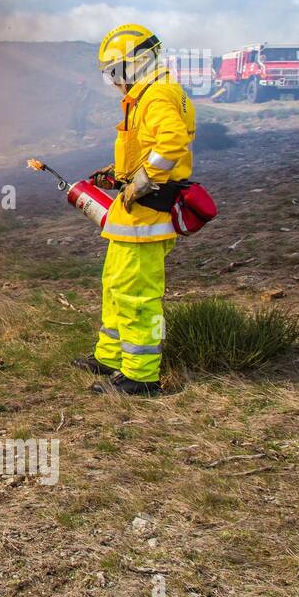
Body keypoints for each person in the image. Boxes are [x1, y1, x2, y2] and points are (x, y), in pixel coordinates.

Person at [74, 24, 196, 396]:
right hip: (132, 216)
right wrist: (119, 176)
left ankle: (140, 376)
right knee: (114, 285)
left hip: (146, 215)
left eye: (116, 72)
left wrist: (142, 181)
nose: (113, 82)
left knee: (136, 296)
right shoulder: (145, 96)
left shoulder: (157, 94)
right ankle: (110, 356)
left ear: (137, 63)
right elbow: (146, 148)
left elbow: (170, 144)